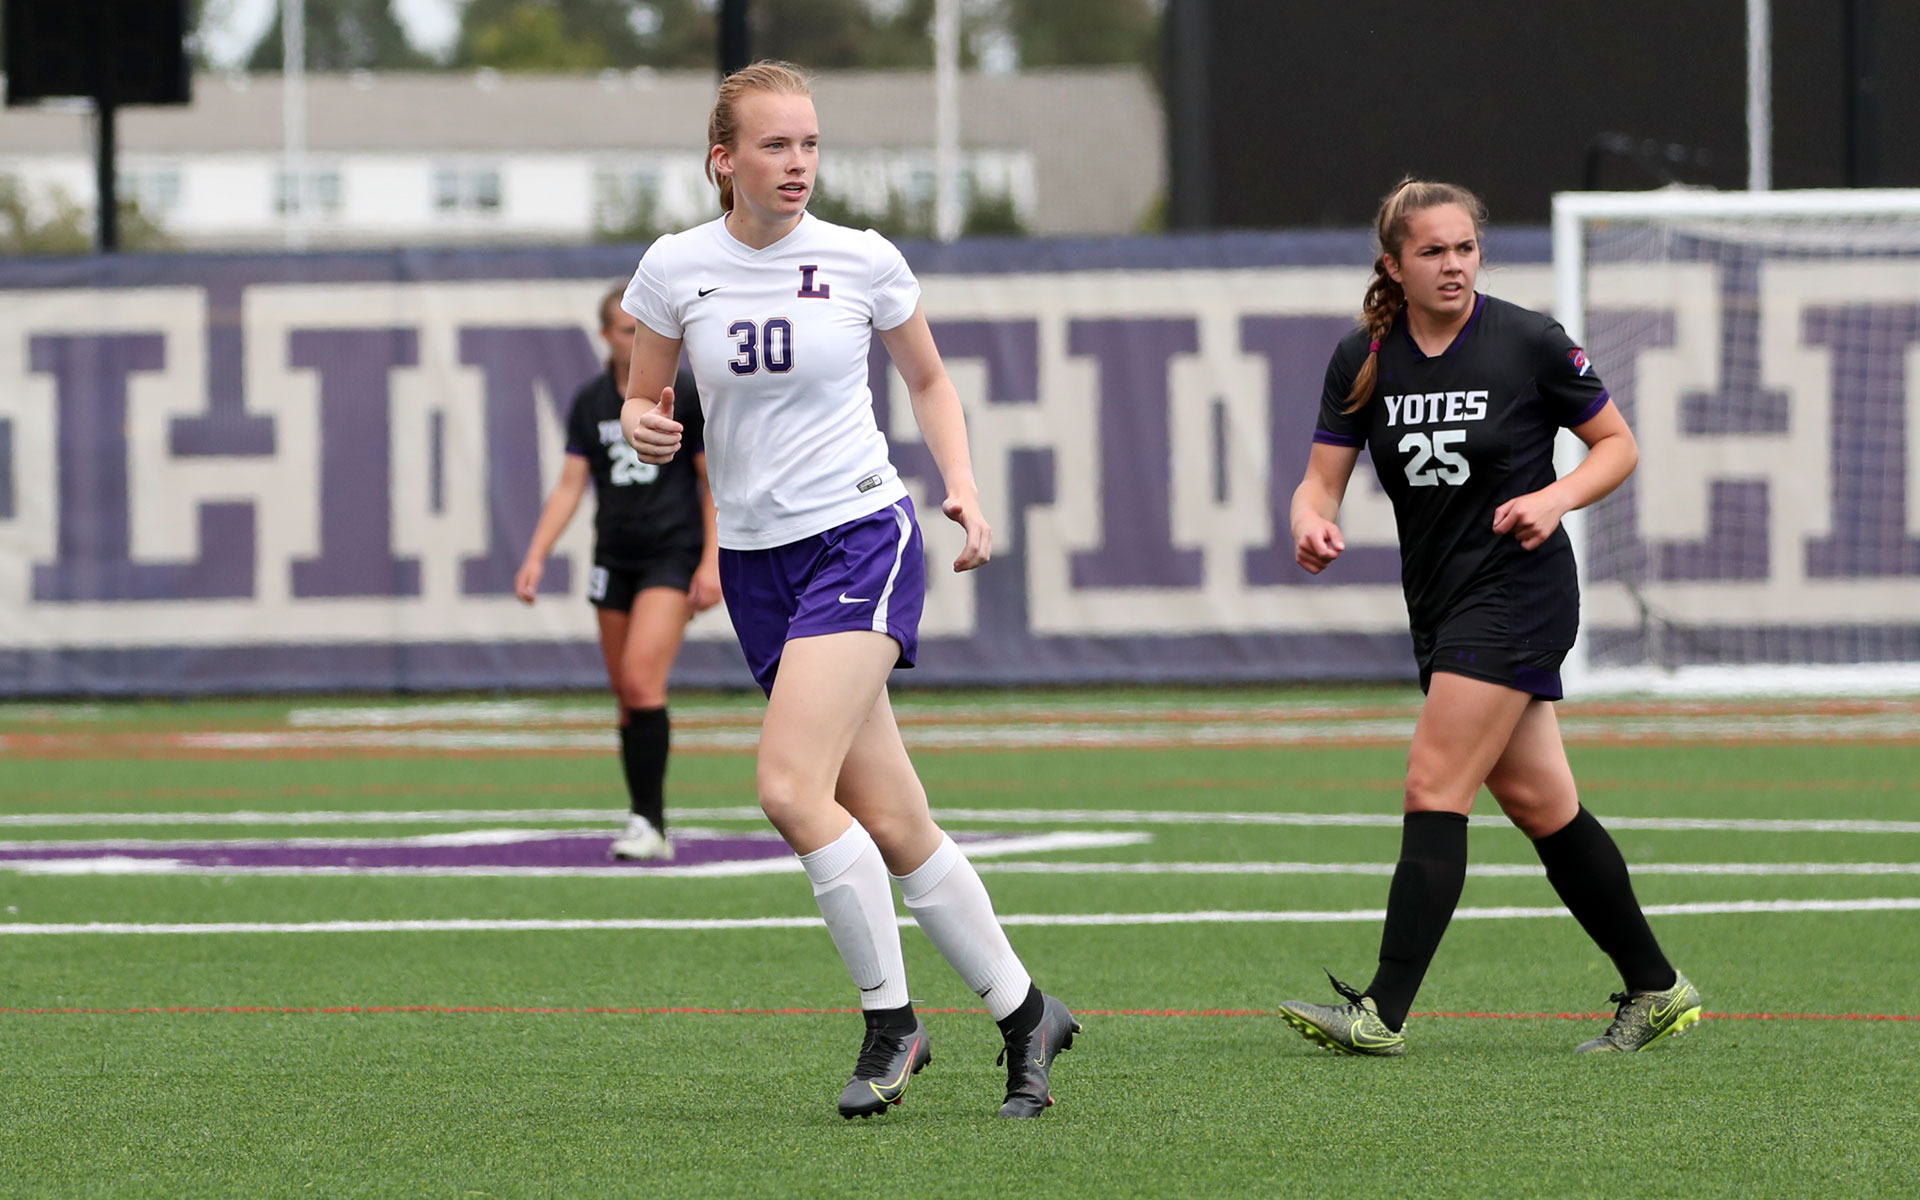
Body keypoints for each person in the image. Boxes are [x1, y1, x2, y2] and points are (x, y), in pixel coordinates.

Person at [618, 61, 1078, 1119]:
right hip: (757, 563)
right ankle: (1026, 1014)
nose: (799, 165)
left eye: (812, 144)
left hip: (861, 538)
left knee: (788, 787)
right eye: (776, 146)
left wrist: (960, 484)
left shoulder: (862, 259)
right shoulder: (674, 267)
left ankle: (893, 1025)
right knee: (896, 819)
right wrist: (647, 429)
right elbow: (645, 408)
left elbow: (928, 379)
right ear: (723, 159)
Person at [1276, 179, 1702, 1056]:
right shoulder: (1365, 355)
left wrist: (1555, 498)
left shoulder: (1527, 341)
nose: (1454, 266)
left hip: (1518, 591)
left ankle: (1382, 1013)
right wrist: (1309, 517)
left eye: (1466, 247)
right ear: (1392, 264)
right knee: (1544, 804)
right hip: (1439, 599)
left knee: (1434, 785)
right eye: (1433, 251)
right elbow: (1322, 477)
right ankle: (1658, 987)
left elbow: (1617, 445)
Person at [515, 286, 721, 861]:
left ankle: (651, 824)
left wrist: (712, 560)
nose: (637, 338)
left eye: (643, 328)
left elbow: (712, 485)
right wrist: (536, 555)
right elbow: (570, 485)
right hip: (614, 557)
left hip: (670, 555)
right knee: (628, 698)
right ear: (605, 336)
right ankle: (644, 818)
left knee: (639, 680)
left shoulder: (681, 393)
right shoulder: (590, 401)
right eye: (626, 330)